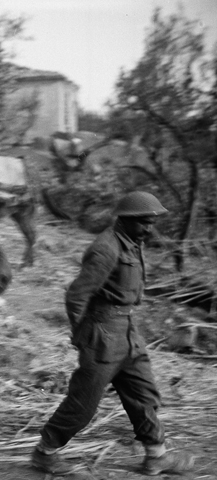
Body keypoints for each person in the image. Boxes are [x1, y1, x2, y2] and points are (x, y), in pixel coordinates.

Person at [31, 191, 194, 476]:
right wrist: (84, 335)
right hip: (102, 336)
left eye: (151, 222)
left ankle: (156, 456)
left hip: (128, 333)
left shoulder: (132, 241)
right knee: (83, 405)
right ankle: (45, 453)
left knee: (144, 394)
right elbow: (76, 296)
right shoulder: (105, 248)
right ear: (126, 219)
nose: (149, 228)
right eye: (144, 222)